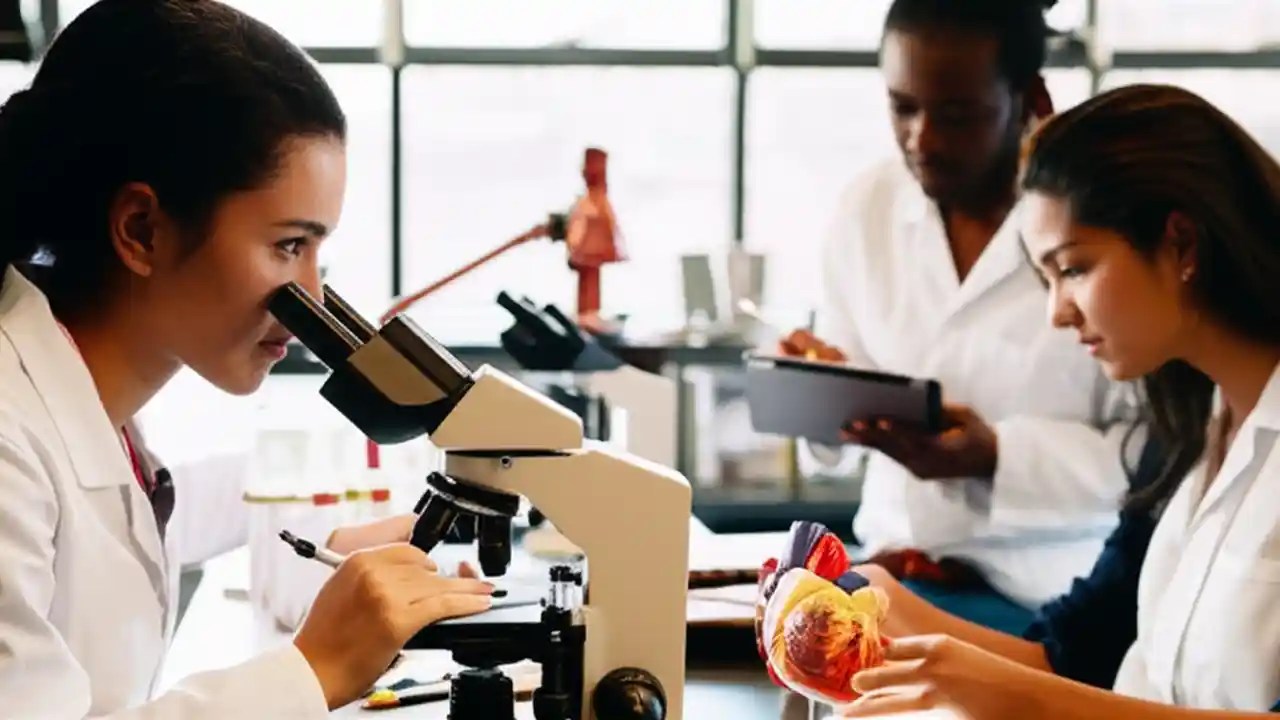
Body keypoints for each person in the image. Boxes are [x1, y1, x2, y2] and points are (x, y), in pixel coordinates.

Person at [0, 1, 494, 717]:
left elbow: (122, 525)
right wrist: (315, 668)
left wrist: (321, 550)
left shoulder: (89, 405)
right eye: (289, 246)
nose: (314, 296)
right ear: (142, 230)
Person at [838, 83, 1280, 717]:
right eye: (1046, 278)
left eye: (1073, 269)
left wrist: (1005, 694)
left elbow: (1049, 686)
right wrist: (884, 603)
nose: (1057, 313)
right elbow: (1075, 654)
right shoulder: (1186, 433)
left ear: (1181, 244)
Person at [780, 0, 1132, 630]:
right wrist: (813, 391)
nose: (923, 140)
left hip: (1047, 602)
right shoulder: (868, 207)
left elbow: (1151, 458)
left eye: (958, 115)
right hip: (884, 584)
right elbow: (831, 436)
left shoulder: (1099, 224)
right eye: (902, 107)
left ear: (1030, 97)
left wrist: (996, 456)